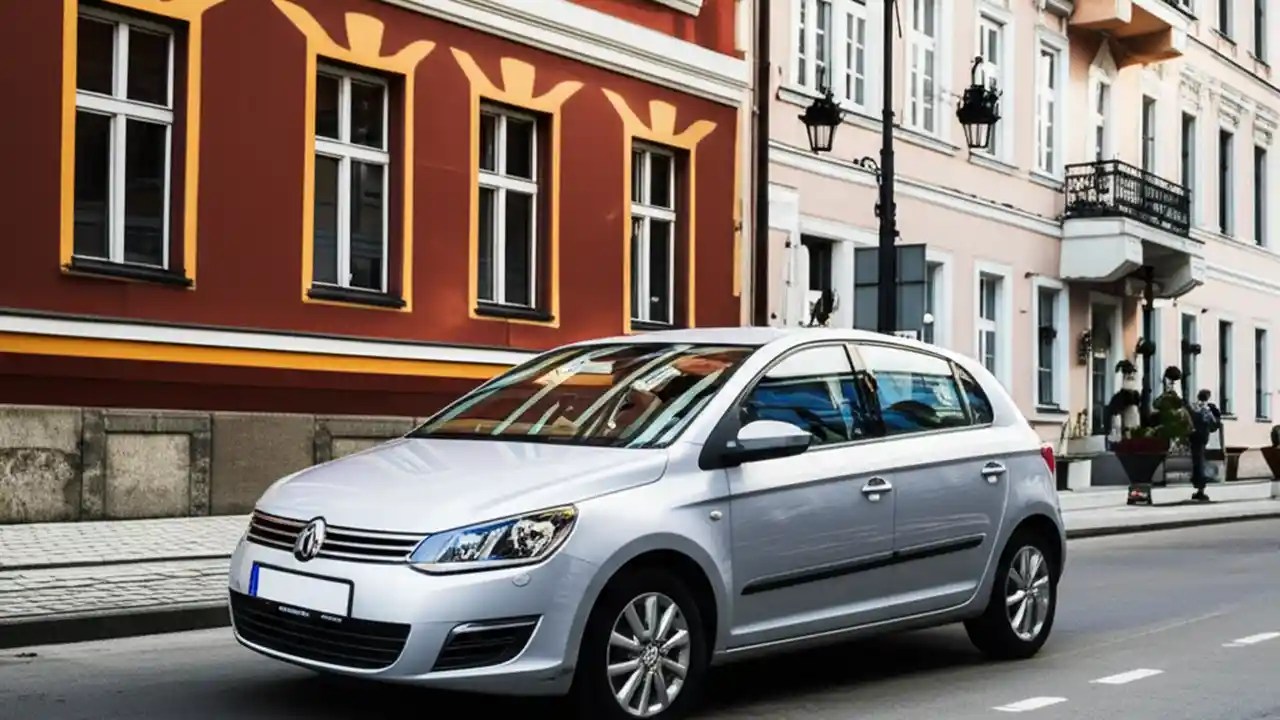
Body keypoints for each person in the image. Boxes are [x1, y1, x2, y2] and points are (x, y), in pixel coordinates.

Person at [1187, 388, 1222, 502]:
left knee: (1196, 462)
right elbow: (1213, 423)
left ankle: (1198, 487)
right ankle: (1201, 489)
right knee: (1201, 462)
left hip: (1193, 438)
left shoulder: (1193, 407)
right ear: (1207, 397)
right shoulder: (1206, 410)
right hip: (1202, 438)